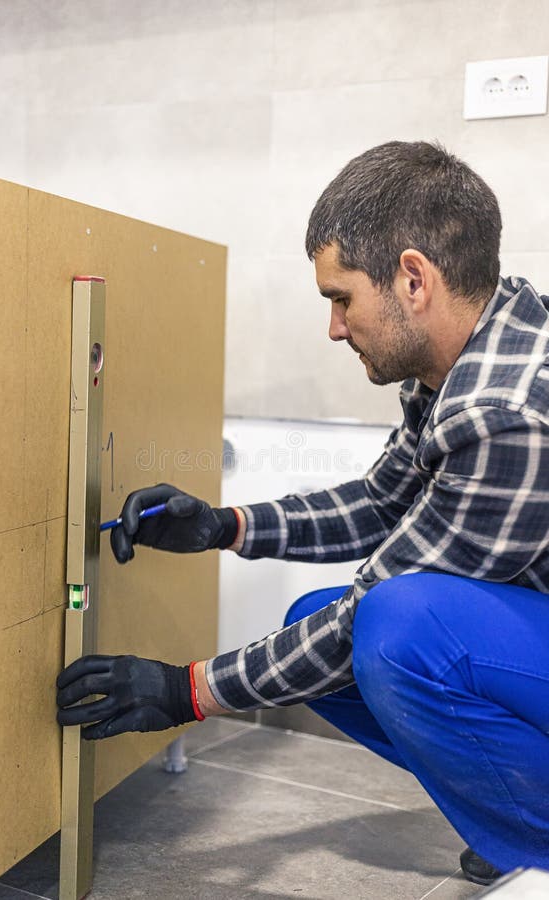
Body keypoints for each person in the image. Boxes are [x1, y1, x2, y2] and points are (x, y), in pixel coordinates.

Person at [56, 141, 549, 887]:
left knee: (396, 629)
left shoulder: (505, 414)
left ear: (413, 278)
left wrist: (186, 691)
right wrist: (226, 526)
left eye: (340, 298)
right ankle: (515, 814)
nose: (333, 327)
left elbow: (365, 618)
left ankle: (535, 839)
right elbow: (385, 503)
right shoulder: (469, 354)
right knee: (318, 620)